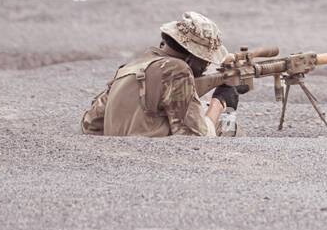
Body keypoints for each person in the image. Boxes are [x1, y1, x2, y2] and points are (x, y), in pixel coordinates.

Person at [82, 11, 240, 137]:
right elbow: (194, 136)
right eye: (206, 60)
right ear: (193, 58)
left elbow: (91, 124)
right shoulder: (177, 69)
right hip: (155, 161)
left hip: (123, 160)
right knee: (227, 124)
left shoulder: (131, 66)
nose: (206, 66)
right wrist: (220, 103)